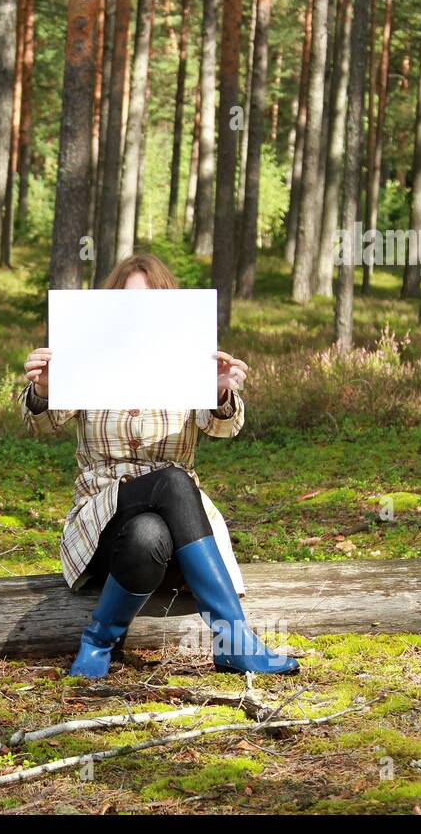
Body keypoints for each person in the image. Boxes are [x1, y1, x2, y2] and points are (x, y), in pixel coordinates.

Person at [20, 253, 297, 679]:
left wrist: (219, 392)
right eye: (128, 303)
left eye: (149, 303)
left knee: (151, 528)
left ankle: (98, 641)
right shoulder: (86, 354)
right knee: (171, 481)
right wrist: (43, 388)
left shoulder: (186, 359)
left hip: (175, 531)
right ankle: (233, 639)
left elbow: (224, 429)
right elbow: (42, 424)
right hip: (102, 521)